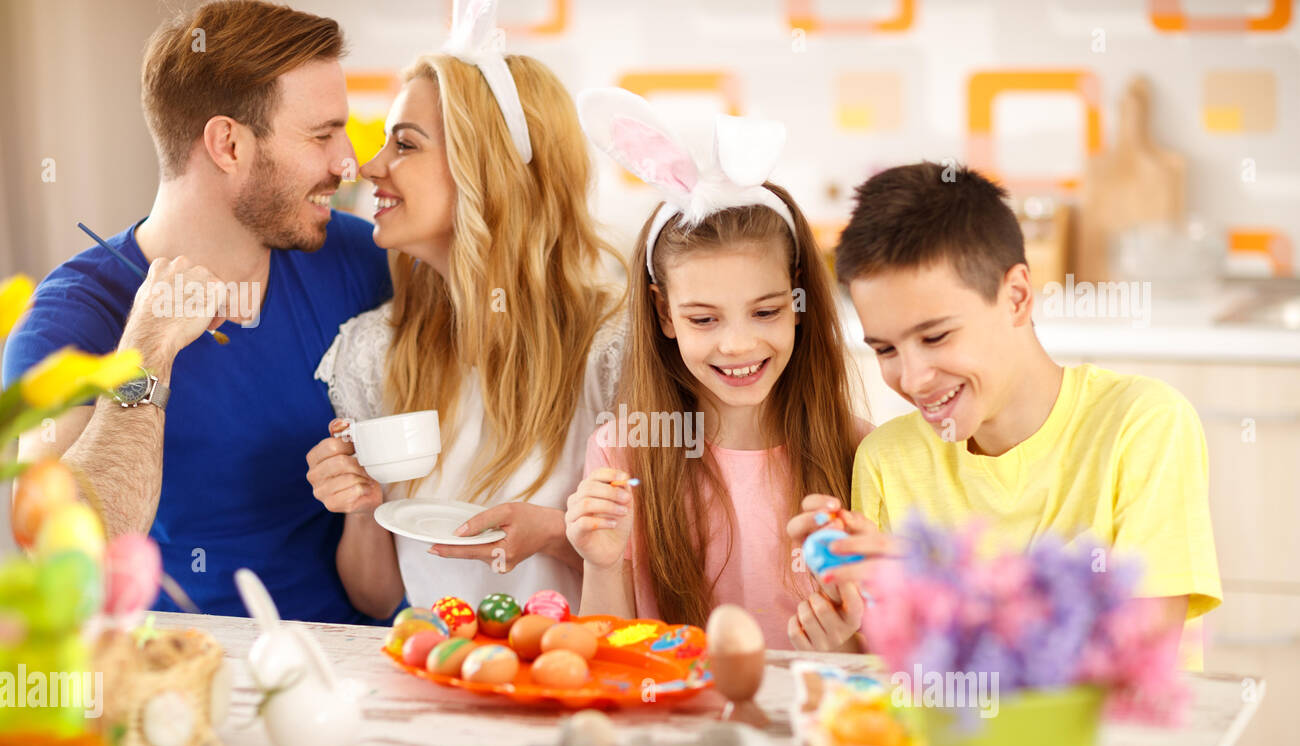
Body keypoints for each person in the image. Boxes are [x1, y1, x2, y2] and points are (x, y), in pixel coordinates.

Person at [787, 160, 1222, 746]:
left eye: (935, 337)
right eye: (885, 349)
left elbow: (1136, 656)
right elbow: (911, 699)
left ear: (1017, 295)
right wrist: (846, 640)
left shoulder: (1143, 426)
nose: (913, 379)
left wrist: (942, 580)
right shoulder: (890, 461)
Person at [2, 1, 392, 624]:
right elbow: (64, 558)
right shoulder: (70, 318)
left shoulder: (355, 258)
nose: (347, 163)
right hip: (190, 668)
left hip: (364, 661)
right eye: (322, 135)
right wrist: (146, 350)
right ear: (228, 144)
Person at [307, 7, 626, 618]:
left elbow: (675, 568)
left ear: (490, 170)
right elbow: (374, 598)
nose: (371, 168)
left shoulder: (613, 344)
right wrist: (360, 506)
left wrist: (559, 534)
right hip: (438, 671)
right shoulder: (375, 350)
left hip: (575, 682)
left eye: (405, 144)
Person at [564, 89, 866, 648]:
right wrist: (602, 565)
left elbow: (887, 667)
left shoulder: (860, 450)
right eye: (704, 319)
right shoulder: (621, 452)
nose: (738, 344)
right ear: (664, 313)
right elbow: (607, 655)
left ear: (798, 300)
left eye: (766, 311)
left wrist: (843, 645)